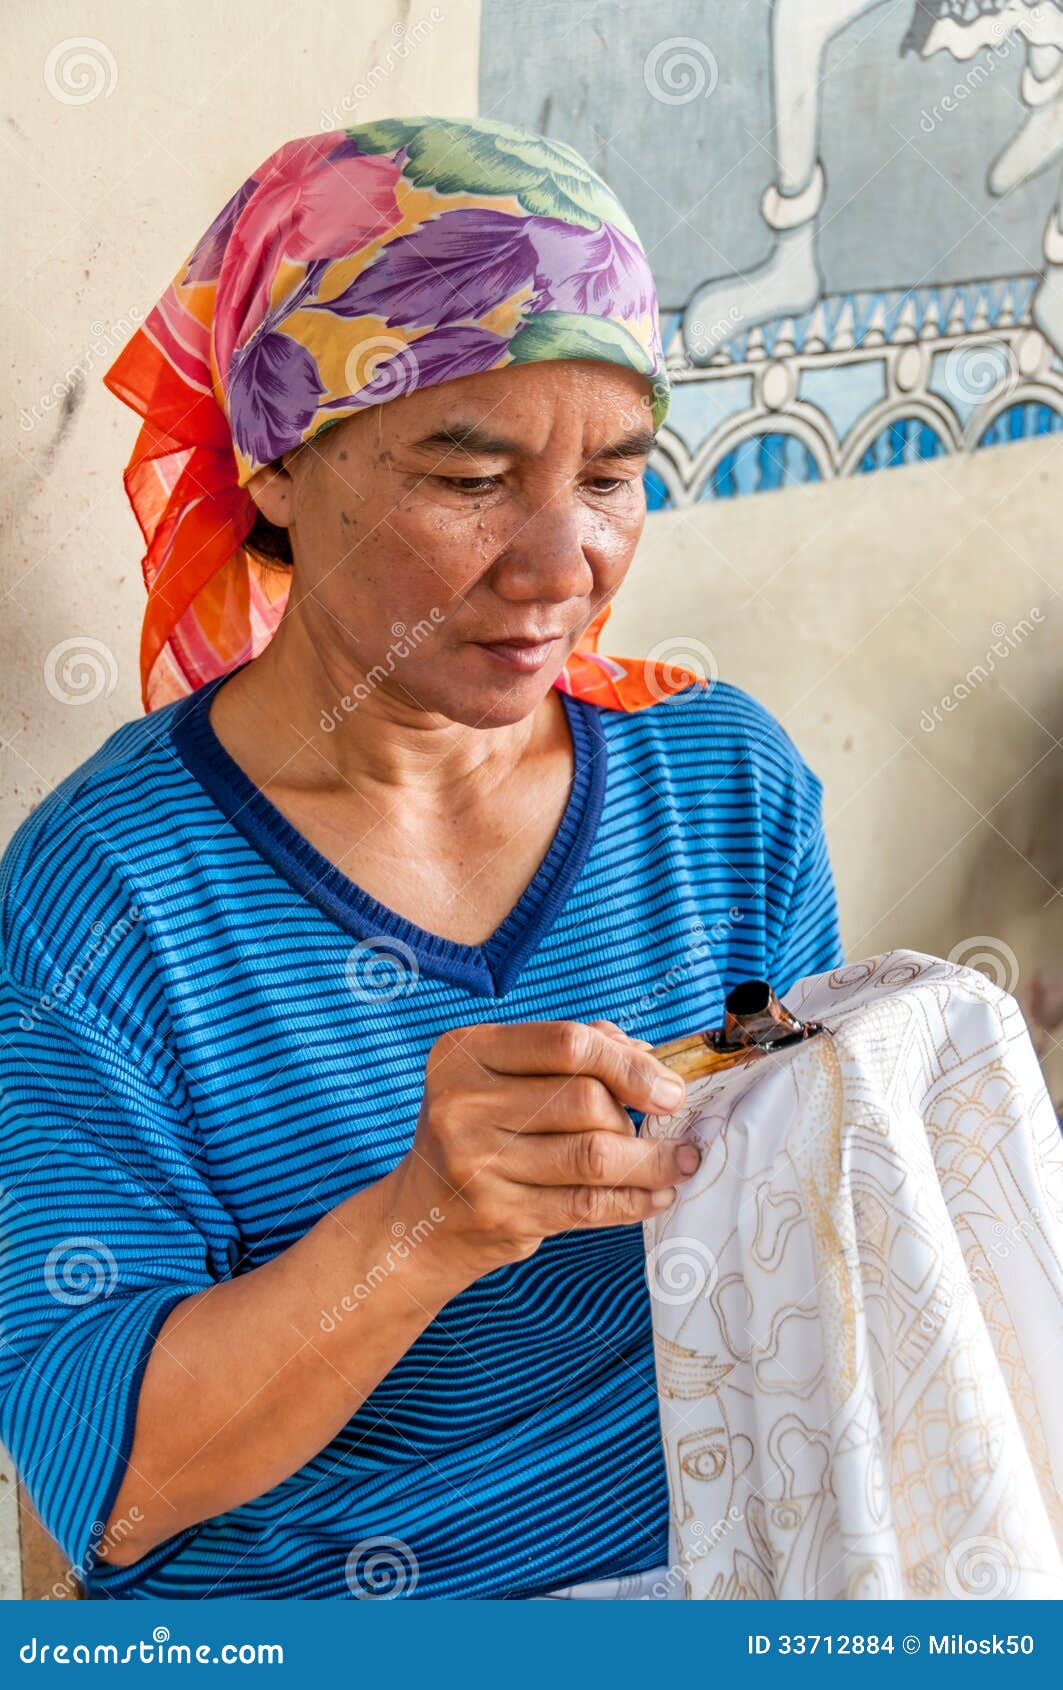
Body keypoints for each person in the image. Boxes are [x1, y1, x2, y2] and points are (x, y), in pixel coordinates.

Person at [0, 116, 844, 1600]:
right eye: (469, 479)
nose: (560, 565)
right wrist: (421, 1226)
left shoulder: (726, 786)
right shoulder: (110, 896)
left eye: (615, 477)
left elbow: (804, 1239)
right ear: (271, 463)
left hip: (722, 1559)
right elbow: (106, 1492)